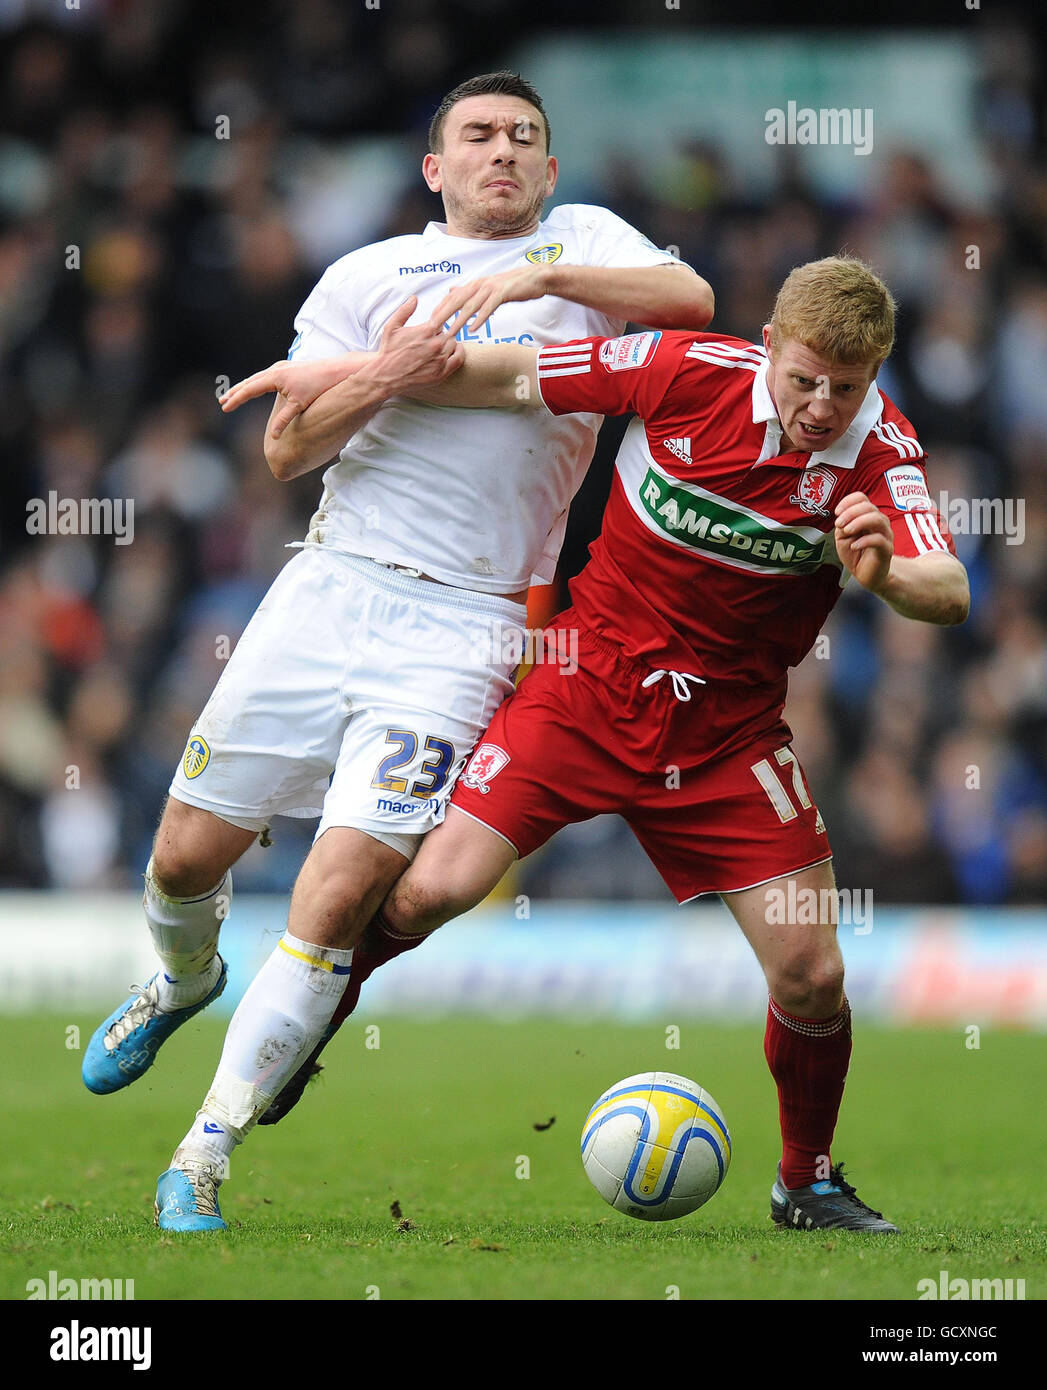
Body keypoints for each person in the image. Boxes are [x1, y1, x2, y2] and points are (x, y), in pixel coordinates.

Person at [80, 70, 714, 1234]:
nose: (505, 152)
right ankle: (181, 978)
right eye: (478, 135)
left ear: (553, 168)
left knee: (339, 888)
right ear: (435, 168)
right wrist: (390, 370)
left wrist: (544, 270)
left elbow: (696, 298)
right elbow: (283, 449)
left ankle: (204, 1150)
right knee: (182, 857)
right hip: (331, 587)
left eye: (527, 137)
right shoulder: (369, 275)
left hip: (465, 626)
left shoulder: (585, 248)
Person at [239, 255, 969, 1232]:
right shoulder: (678, 370)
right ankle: (305, 1026)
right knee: (426, 891)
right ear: (767, 351)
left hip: (726, 740)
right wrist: (345, 379)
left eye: (846, 387)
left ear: (873, 376)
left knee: (815, 974)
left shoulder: (883, 449)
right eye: (803, 379)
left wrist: (882, 574)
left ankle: (807, 1181)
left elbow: (949, 590)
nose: (822, 406)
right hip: (579, 699)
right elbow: (506, 376)